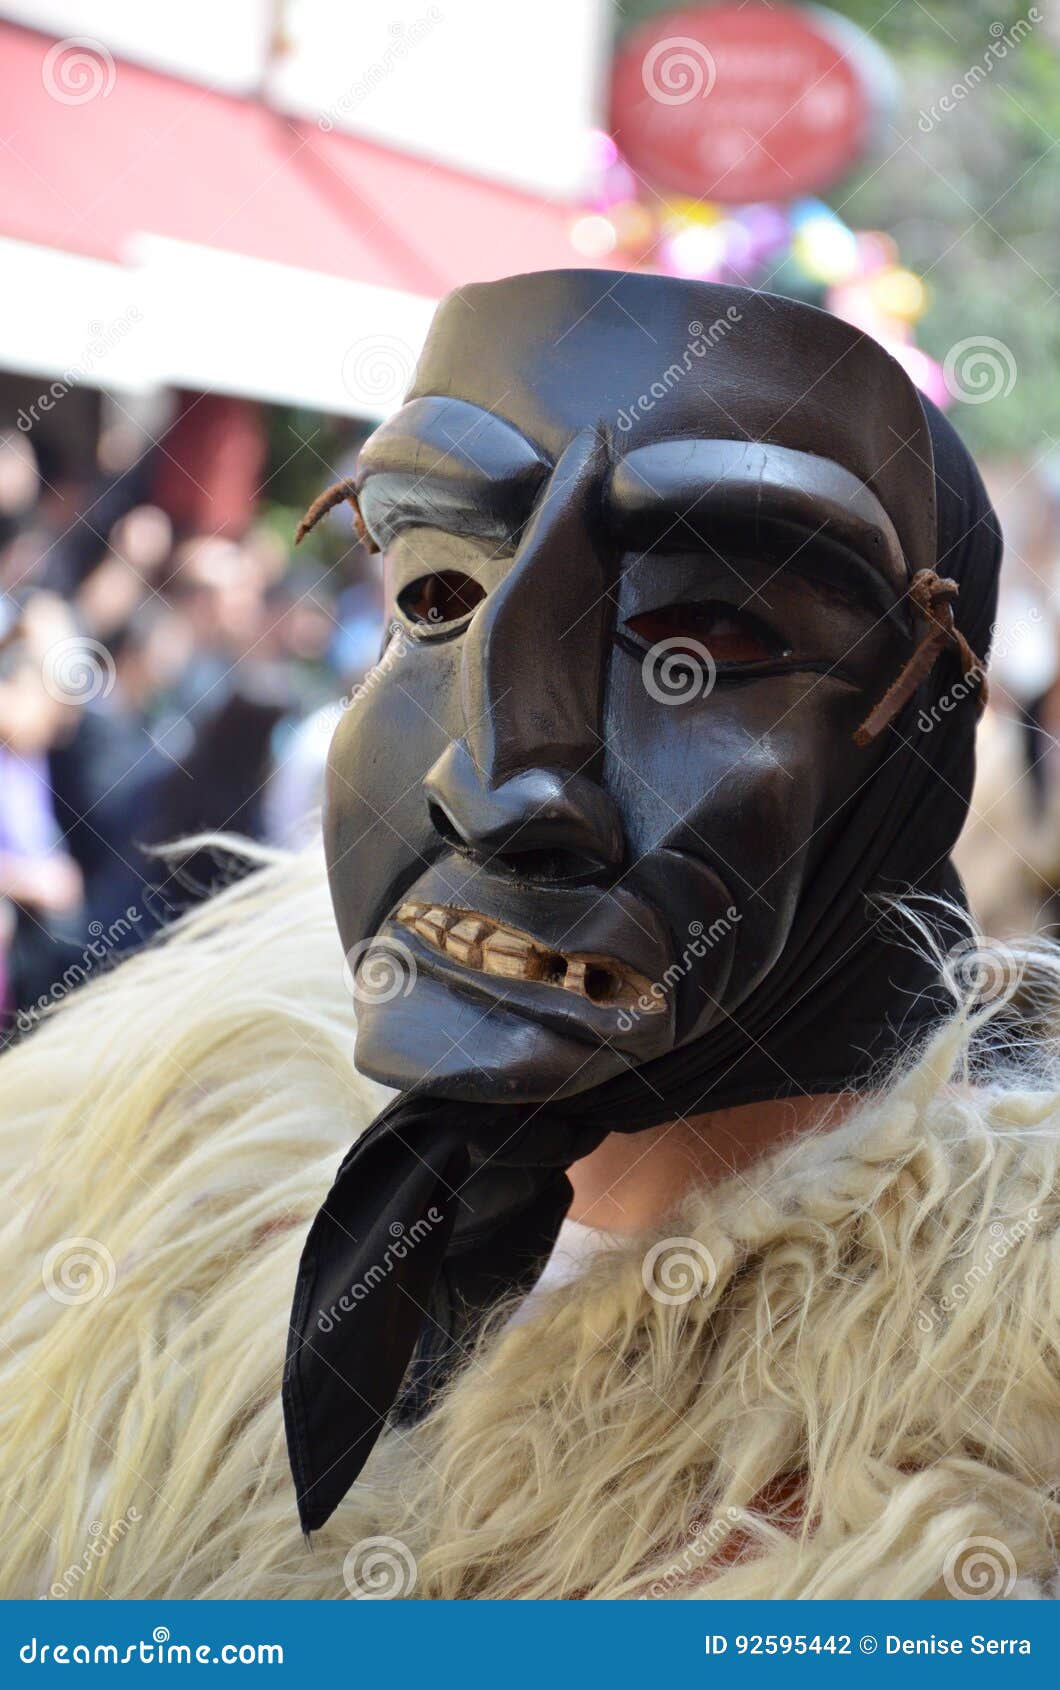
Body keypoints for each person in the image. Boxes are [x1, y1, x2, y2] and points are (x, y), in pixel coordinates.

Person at [1, 272, 1058, 1602]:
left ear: (921, 732)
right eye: (437, 590)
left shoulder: (979, 1501)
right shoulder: (133, 1240)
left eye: (711, 633)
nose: (500, 775)